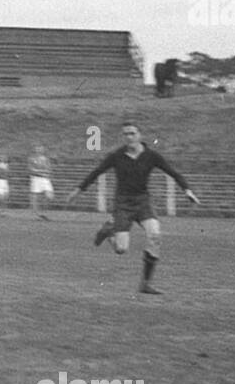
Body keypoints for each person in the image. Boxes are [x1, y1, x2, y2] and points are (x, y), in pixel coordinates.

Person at [64, 122, 199, 295]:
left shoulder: (151, 156)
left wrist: (187, 191)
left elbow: (173, 173)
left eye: (132, 133)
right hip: (123, 204)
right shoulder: (117, 156)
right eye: (126, 134)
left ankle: (145, 284)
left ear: (140, 135)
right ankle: (108, 232)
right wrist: (78, 190)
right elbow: (96, 172)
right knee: (121, 249)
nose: (129, 137)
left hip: (143, 202)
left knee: (155, 235)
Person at [27, 145, 54, 220]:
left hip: (45, 179)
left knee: (50, 196)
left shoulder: (46, 159)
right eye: (37, 148)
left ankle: (43, 211)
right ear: (35, 150)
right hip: (36, 179)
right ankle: (36, 215)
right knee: (35, 197)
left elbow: (49, 170)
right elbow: (31, 170)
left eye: (40, 149)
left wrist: (41, 172)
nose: (39, 150)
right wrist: (42, 172)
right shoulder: (31, 159)